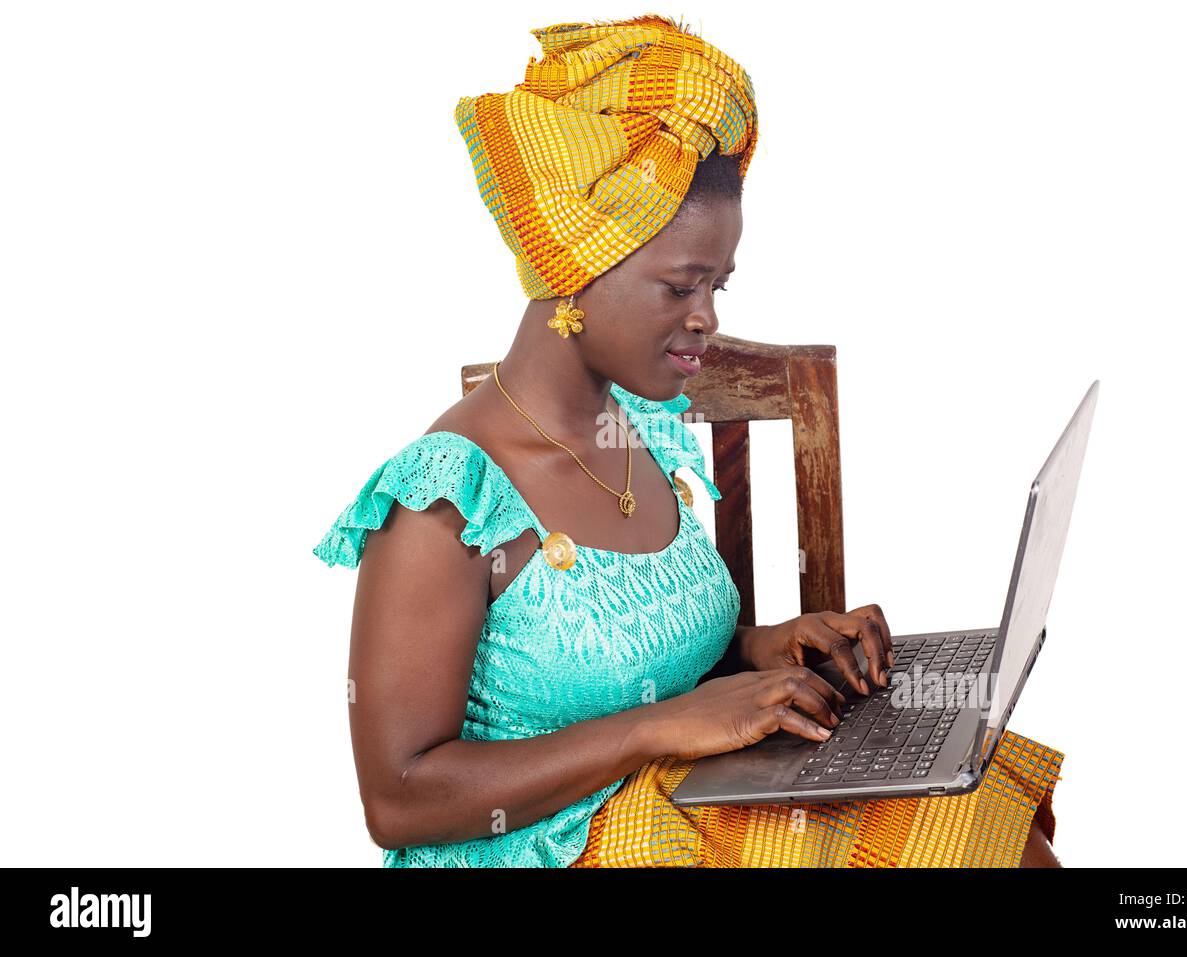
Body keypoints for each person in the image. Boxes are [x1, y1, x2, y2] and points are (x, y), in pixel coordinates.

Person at [313, 13, 1063, 867]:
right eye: (680, 285)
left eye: (718, 282)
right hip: (543, 847)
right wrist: (657, 727)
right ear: (574, 269)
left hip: (680, 798)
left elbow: (653, 658)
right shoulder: (447, 500)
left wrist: (762, 647)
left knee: (993, 827)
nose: (706, 318)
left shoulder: (643, 426)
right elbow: (398, 799)